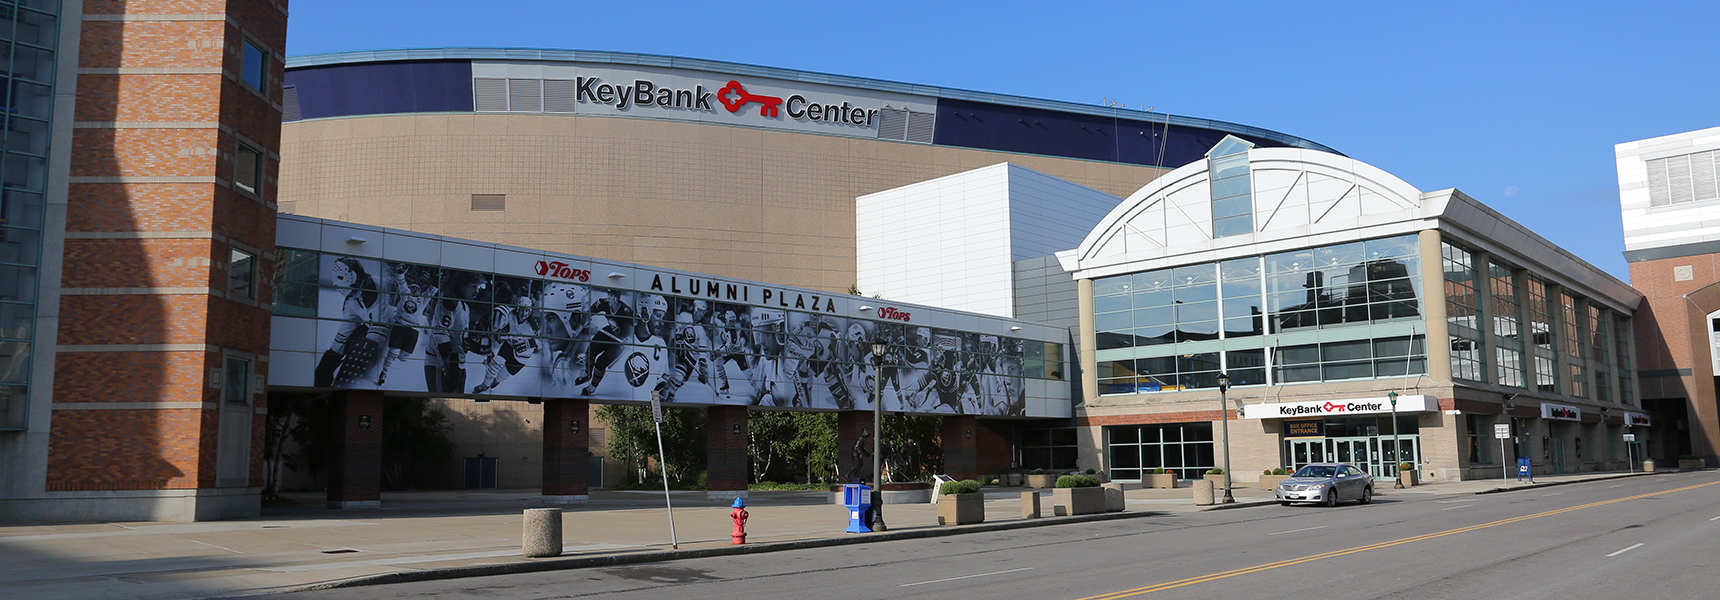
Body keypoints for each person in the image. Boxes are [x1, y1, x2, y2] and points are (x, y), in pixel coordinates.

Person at [314, 257, 380, 388]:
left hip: (389, 331)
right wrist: (329, 360)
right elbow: (345, 332)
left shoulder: (375, 288)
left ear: (353, 275)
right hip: (372, 328)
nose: (337, 284)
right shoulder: (351, 301)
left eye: (341, 277)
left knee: (363, 340)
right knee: (338, 351)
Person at [473, 281, 541, 395]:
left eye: (527, 310)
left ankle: (496, 381)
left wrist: (528, 344)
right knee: (496, 362)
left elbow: (541, 343)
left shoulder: (532, 325)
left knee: (503, 375)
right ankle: (484, 385)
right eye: (522, 309)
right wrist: (499, 333)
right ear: (518, 309)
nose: (524, 313)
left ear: (530, 311)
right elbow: (499, 329)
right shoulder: (510, 315)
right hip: (510, 344)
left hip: (523, 354)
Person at [423, 271, 481, 393]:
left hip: (458, 364)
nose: (477, 291)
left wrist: (473, 342)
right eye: (473, 287)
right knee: (442, 401)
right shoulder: (450, 301)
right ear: (462, 286)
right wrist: (448, 365)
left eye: (478, 287)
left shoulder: (464, 306)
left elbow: (458, 337)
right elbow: (439, 334)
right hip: (441, 365)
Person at [579, 290, 636, 396]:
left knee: (601, 362)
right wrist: (587, 316)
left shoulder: (626, 311)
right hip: (609, 331)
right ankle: (587, 373)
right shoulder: (604, 303)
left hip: (620, 340)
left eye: (611, 296)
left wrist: (629, 338)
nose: (608, 298)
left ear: (617, 298)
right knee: (592, 349)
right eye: (608, 295)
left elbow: (632, 329)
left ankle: (592, 386)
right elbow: (592, 309)